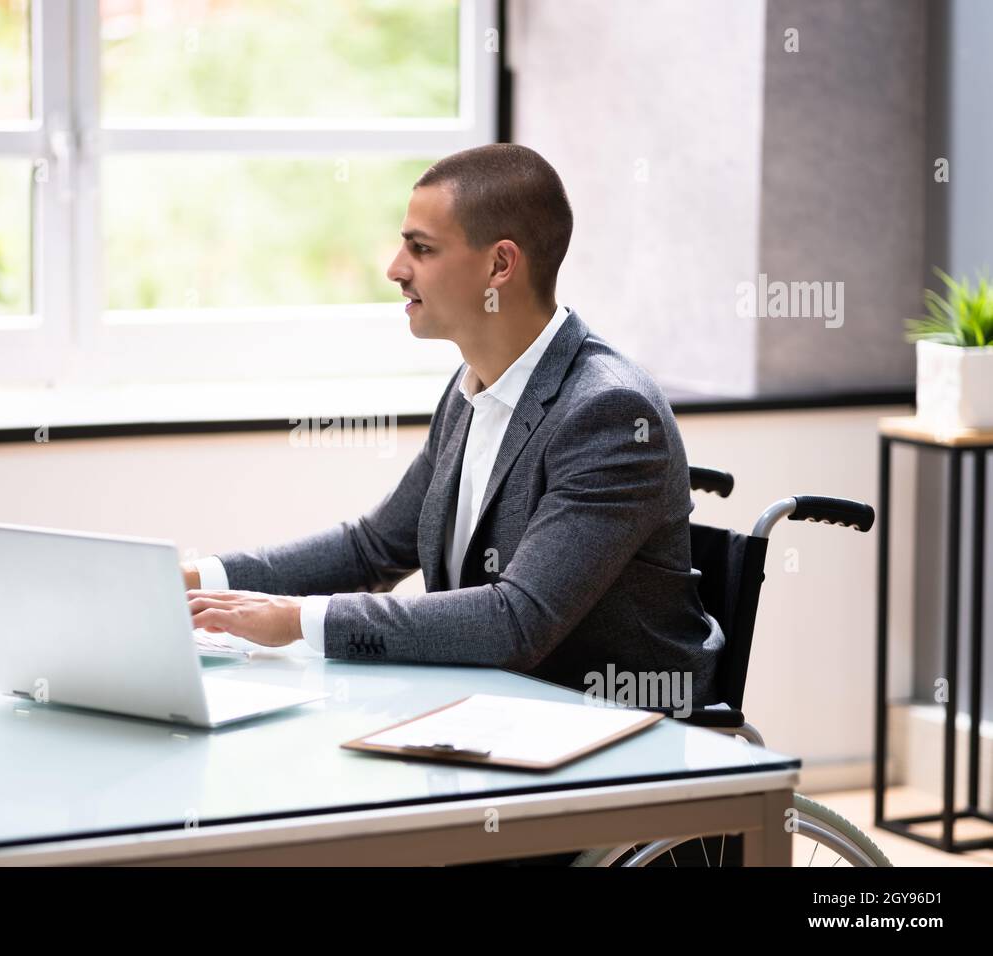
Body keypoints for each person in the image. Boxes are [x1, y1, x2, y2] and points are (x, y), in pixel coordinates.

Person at [183, 143, 723, 706]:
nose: (395, 269)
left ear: (499, 265)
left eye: (421, 248)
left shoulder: (608, 413)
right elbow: (373, 549)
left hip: (622, 727)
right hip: (501, 710)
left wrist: (297, 619)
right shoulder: (471, 385)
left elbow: (515, 620)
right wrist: (195, 581)